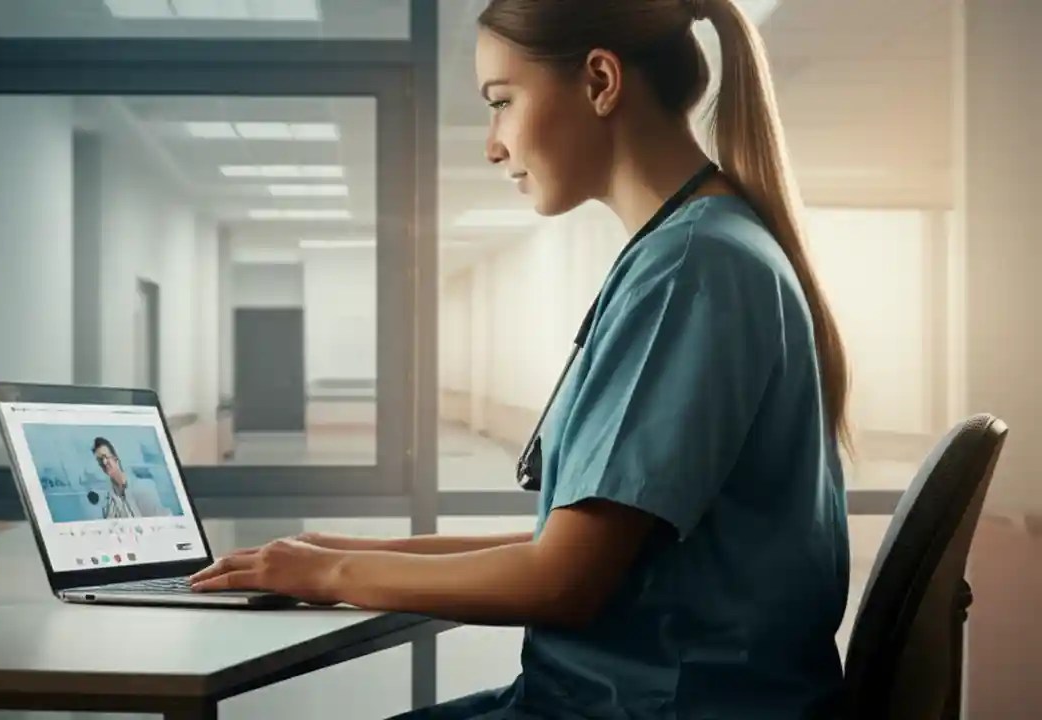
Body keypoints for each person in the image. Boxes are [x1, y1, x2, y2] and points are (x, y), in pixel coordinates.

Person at [189, 0, 850, 716]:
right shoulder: (698, 249)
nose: (493, 146)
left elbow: (560, 581)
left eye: (501, 102)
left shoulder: (692, 268)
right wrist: (332, 552)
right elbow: (569, 545)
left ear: (600, 81)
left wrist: (333, 574)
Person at [92, 437, 171, 519]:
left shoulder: (141, 487)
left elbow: (162, 519)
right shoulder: (108, 501)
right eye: (100, 460)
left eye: (105, 457)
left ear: (115, 457)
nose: (104, 462)